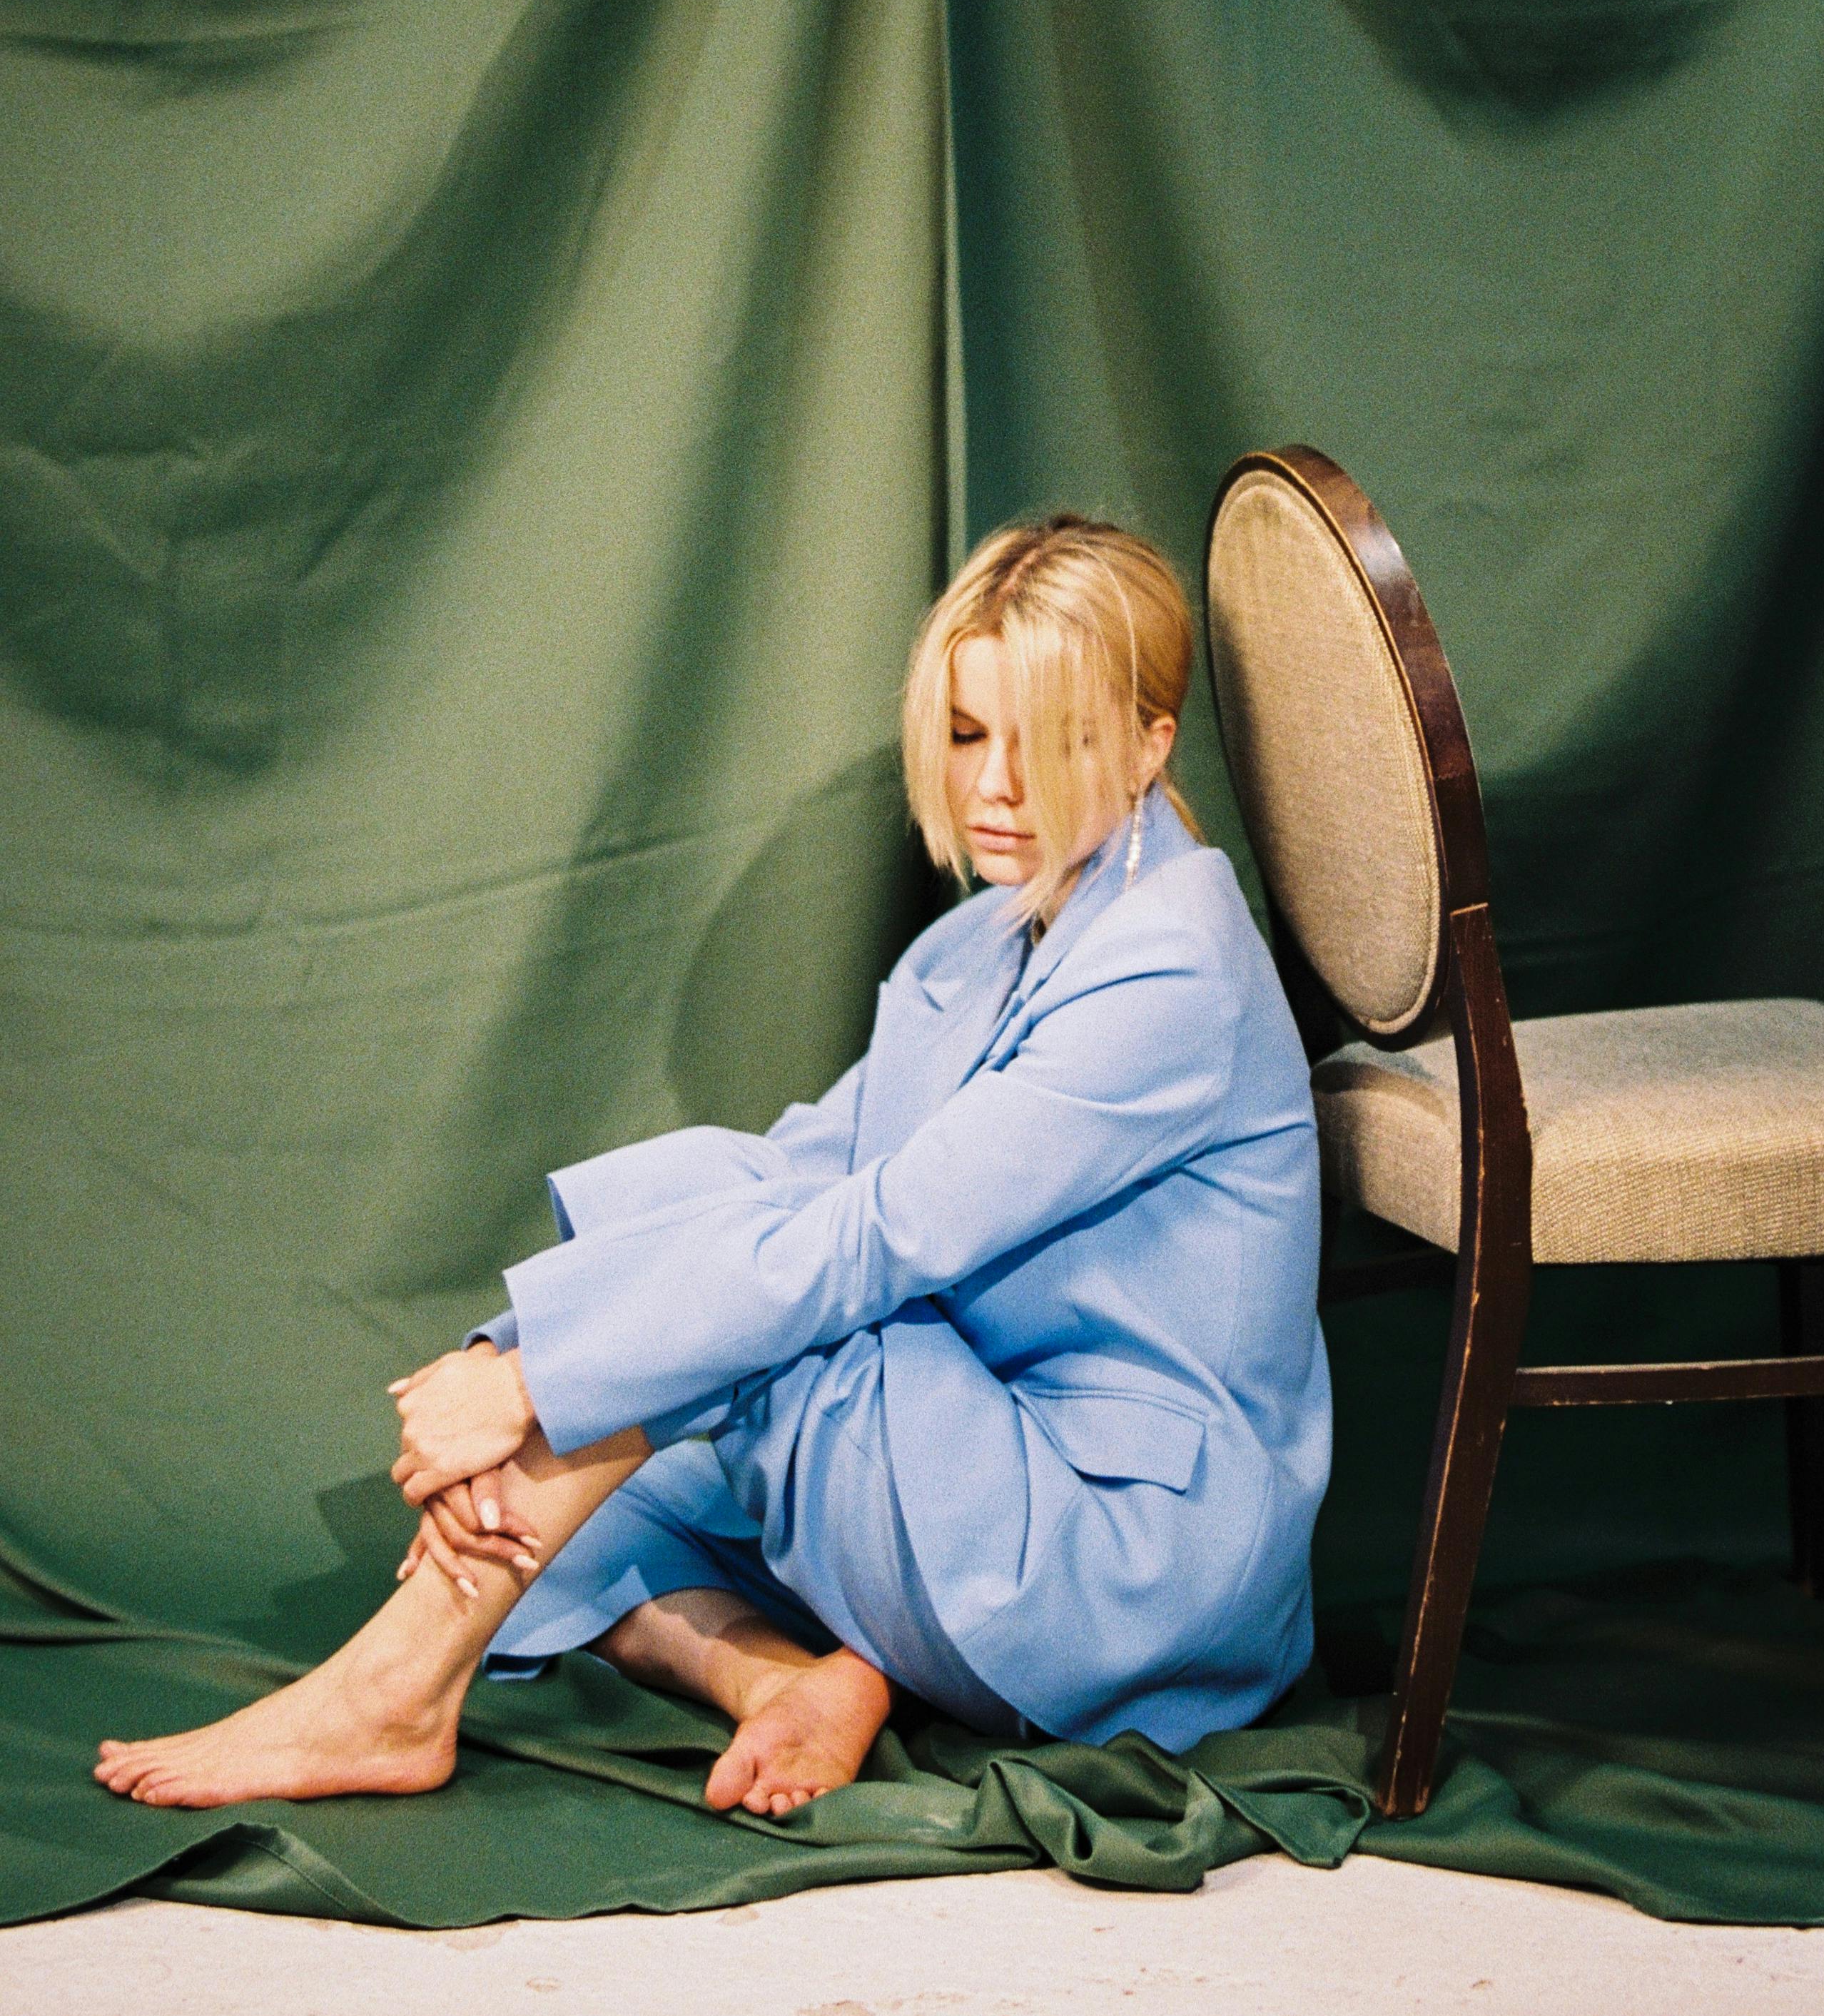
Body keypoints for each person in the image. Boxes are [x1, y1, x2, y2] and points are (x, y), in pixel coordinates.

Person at [96, 517, 1332, 1819]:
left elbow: (872, 1238)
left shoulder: (1171, 963)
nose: (994, 790)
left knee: (723, 1345)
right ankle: (787, 1678)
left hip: (1119, 1563)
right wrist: (523, 1361)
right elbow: (798, 1163)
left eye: (1054, 739)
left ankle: (394, 1693)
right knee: (594, 1522)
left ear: (1149, 742)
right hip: (971, 1453)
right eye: (969, 732)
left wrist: (536, 1386)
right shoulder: (982, 936)